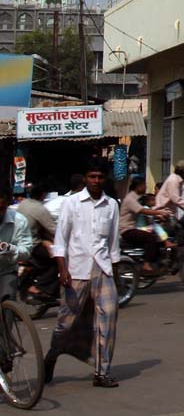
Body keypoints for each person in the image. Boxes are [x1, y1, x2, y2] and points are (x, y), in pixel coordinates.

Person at [46, 158, 122, 389]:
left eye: (100, 177)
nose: (96, 181)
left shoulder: (111, 205)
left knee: (108, 318)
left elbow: (113, 243)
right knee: (65, 323)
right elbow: (61, 240)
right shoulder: (71, 203)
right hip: (76, 270)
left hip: (103, 269)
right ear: (85, 178)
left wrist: (115, 273)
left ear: (105, 179)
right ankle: (52, 356)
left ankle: (102, 372)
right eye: (92, 176)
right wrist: (62, 269)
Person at [16, 180, 59, 299]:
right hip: (32, 245)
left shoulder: (23, 203)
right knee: (58, 260)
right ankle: (40, 287)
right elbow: (54, 230)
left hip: (21, 241)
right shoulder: (40, 209)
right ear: (43, 195)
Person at [119, 176, 166, 273]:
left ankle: (157, 263)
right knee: (150, 237)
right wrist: (160, 213)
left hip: (133, 228)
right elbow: (143, 210)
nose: (146, 187)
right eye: (144, 185)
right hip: (127, 230)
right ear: (138, 186)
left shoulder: (138, 198)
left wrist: (158, 216)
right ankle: (146, 264)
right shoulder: (130, 199)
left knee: (157, 235)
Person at [0, 184, 35, 302]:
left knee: (8, 300)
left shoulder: (19, 221)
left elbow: (26, 251)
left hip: (6, 270)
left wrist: (10, 248)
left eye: (1, 209)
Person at [154, 159, 184, 233]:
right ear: (183, 172)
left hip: (169, 213)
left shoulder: (177, 180)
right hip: (164, 213)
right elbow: (175, 198)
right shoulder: (173, 180)